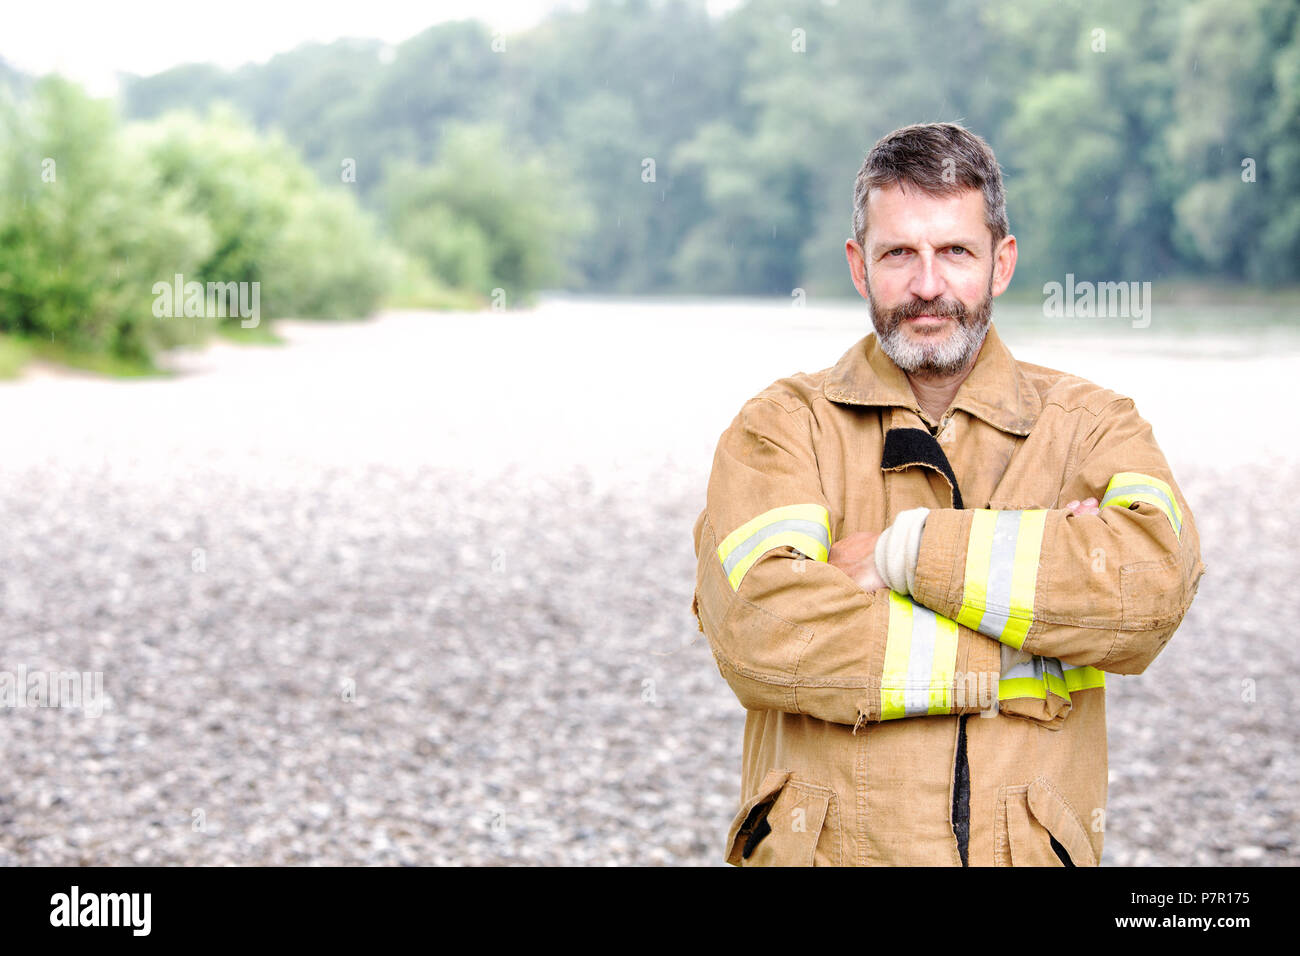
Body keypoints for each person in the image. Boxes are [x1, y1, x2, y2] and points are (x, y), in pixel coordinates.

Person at [689, 122, 1206, 866]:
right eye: (899, 252)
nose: (927, 285)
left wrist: (903, 553)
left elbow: (1148, 591)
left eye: (955, 252)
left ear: (1002, 262)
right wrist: (1026, 656)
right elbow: (765, 632)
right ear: (859, 266)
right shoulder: (780, 428)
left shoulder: (1092, 426)